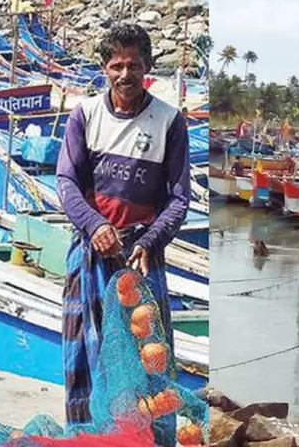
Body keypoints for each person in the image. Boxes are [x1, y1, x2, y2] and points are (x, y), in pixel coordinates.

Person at [55, 23, 190, 428]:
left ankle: (146, 434)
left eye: (134, 65)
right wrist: (95, 225)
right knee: (84, 354)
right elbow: (66, 181)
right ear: (103, 68)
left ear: (147, 65)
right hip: (91, 251)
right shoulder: (85, 115)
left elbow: (180, 198)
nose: (125, 75)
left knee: (148, 358)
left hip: (140, 259)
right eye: (116, 66)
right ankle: (84, 431)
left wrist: (150, 241)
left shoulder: (168, 121)